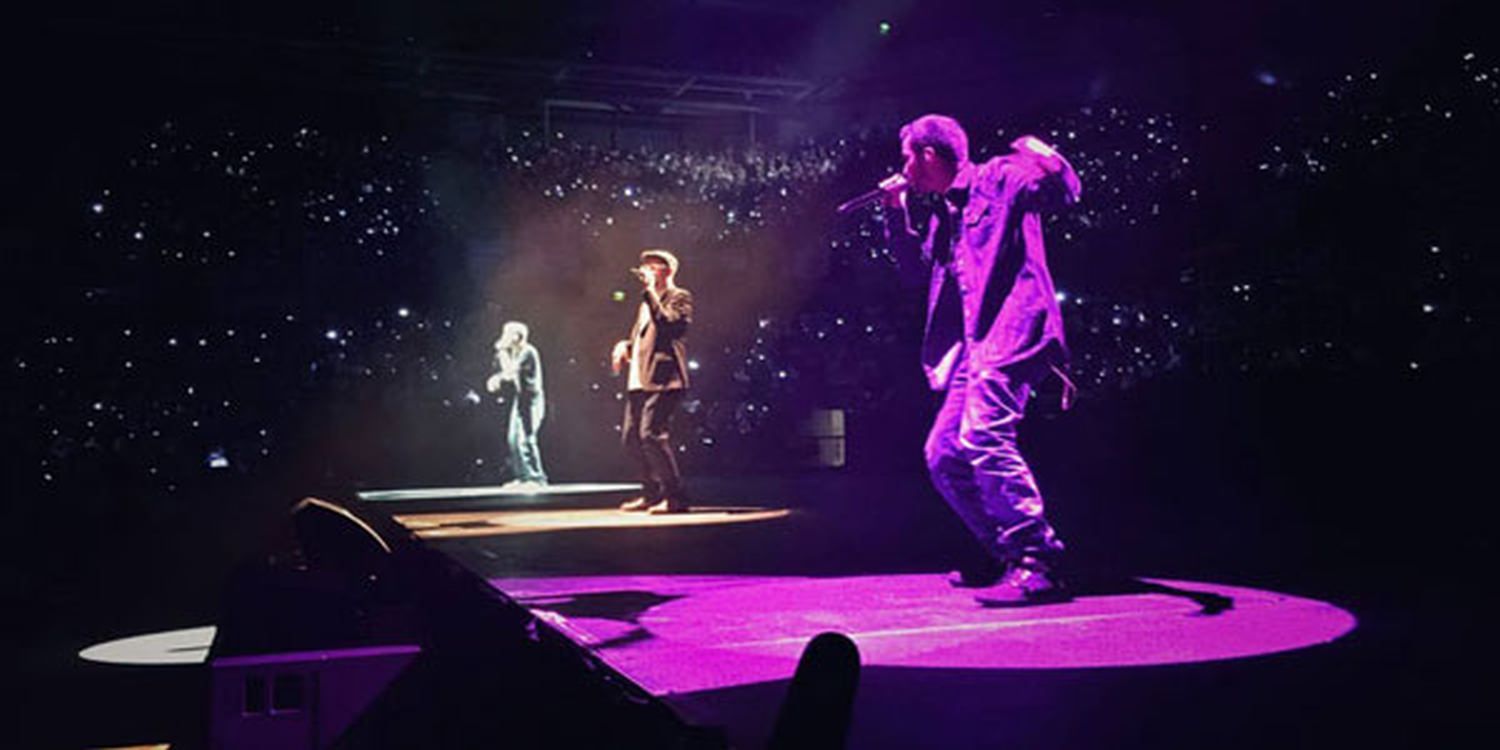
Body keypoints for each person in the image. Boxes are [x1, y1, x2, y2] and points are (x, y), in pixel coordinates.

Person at [881, 114, 1082, 606]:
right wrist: (895, 210)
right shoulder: (942, 214)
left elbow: (1064, 192)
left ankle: (1039, 561)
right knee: (944, 454)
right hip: (972, 347)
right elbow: (914, 272)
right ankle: (1005, 554)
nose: (904, 168)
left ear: (928, 154)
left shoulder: (998, 177)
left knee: (984, 435)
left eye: (907, 157)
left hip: (1013, 331)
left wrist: (1043, 153)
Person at [612, 249, 694, 514]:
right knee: (631, 438)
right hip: (640, 378)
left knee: (652, 435)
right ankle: (651, 493)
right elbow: (643, 337)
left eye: (652, 266)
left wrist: (650, 293)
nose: (645, 270)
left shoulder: (679, 296)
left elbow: (669, 326)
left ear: (667, 270)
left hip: (664, 379)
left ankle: (676, 497)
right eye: (644, 266)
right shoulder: (645, 304)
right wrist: (625, 346)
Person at [487, 321, 547, 487]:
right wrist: (497, 378)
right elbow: (507, 375)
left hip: (532, 401)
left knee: (525, 439)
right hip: (520, 400)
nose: (504, 337)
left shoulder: (528, 351)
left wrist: (502, 353)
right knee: (513, 439)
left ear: (517, 336)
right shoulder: (514, 353)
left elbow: (510, 372)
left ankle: (536, 478)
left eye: (507, 333)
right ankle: (523, 477)